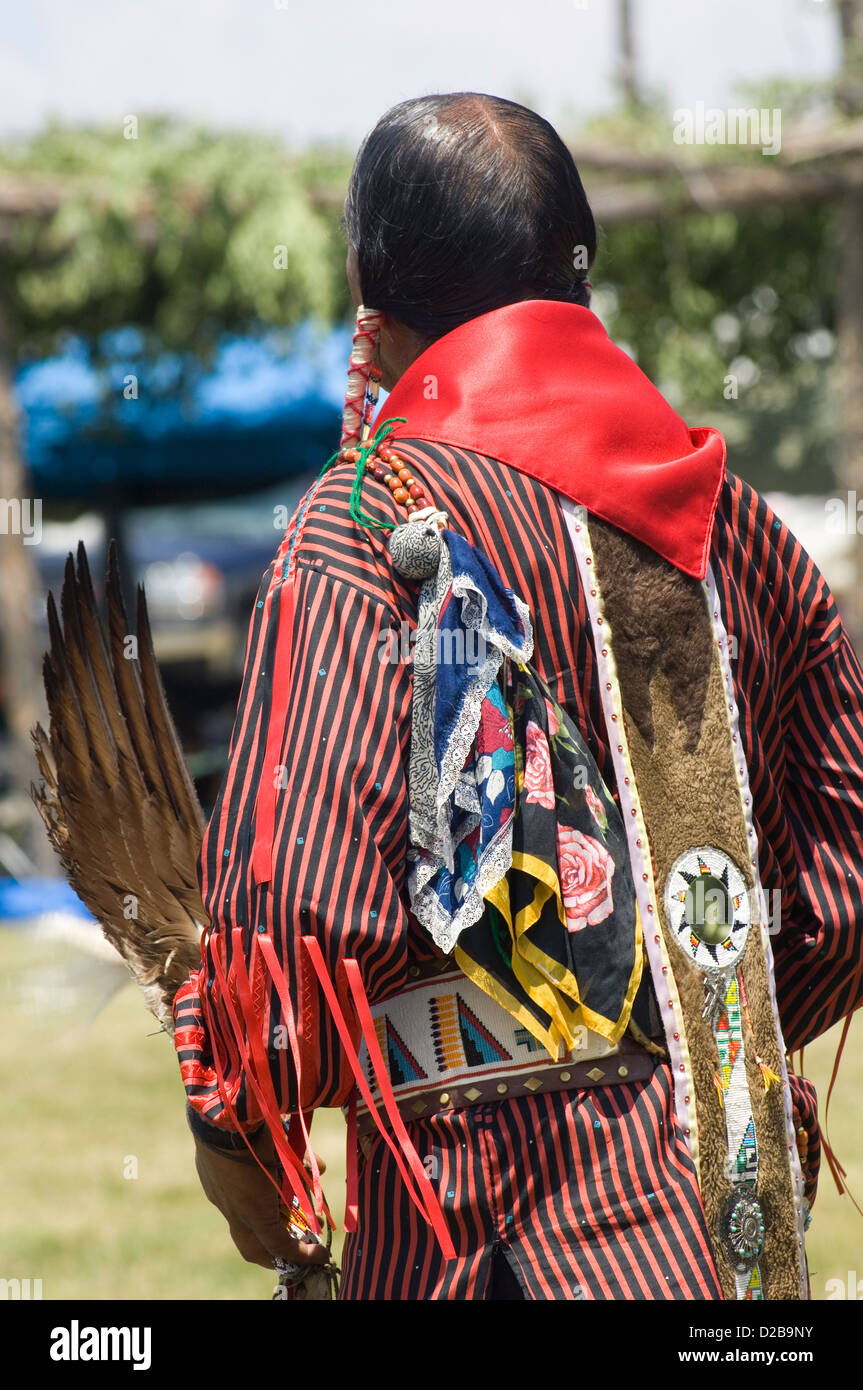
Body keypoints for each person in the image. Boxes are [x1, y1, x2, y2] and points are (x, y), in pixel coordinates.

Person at [176, 92, 863, 1301]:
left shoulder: (363, 526)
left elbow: (296, 940)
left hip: (491, 1252)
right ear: (574, 271)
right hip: (731, 1248)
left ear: (366, 295)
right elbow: (836, 894)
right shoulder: (736, 529)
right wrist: (687, 1021)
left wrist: (231, 1100)